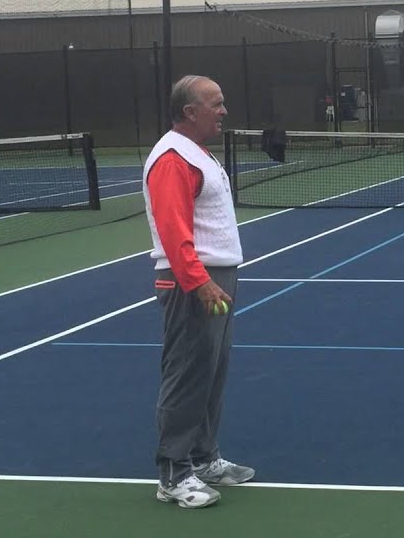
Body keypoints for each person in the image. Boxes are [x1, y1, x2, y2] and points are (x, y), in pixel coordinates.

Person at [144, 75, 254, 508]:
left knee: (210, 373)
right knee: (188, 376)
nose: (224, 111)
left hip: (214, 278)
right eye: (217, 104)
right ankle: (173, 473)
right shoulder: (173, 159)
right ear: (191, 112)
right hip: (194, 282)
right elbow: (174, 231)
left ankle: (204, 458)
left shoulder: (197, 154)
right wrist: (200, 281)